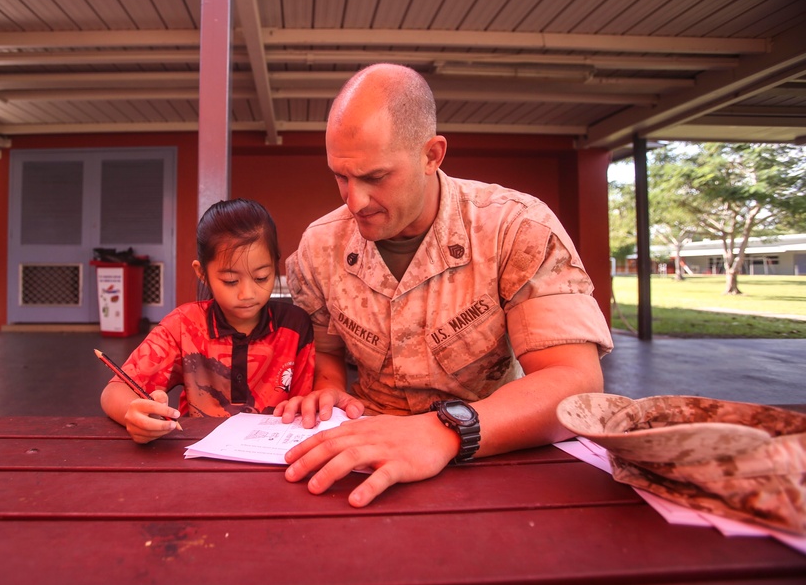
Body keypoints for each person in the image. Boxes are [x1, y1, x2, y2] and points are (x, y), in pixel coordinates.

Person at [274, 63, 614, 507]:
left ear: (432, 155)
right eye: (341, 176)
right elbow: (327, 351)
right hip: (363, 451)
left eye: (375, 178)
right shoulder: (320, 245)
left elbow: (574, 382)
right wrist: (329, 386)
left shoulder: (515, 228)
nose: (355, 201)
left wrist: (445, 432)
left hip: (495, 449)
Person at [101, 198, 316, 444]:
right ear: (202, 273)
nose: (247, 294)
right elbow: (114, 391)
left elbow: (306, 405)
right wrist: (135, 414)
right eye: (230, 281)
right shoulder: (183, 326)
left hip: (273, 451)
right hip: (195, 450)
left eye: (261, 277)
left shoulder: (294, 327)